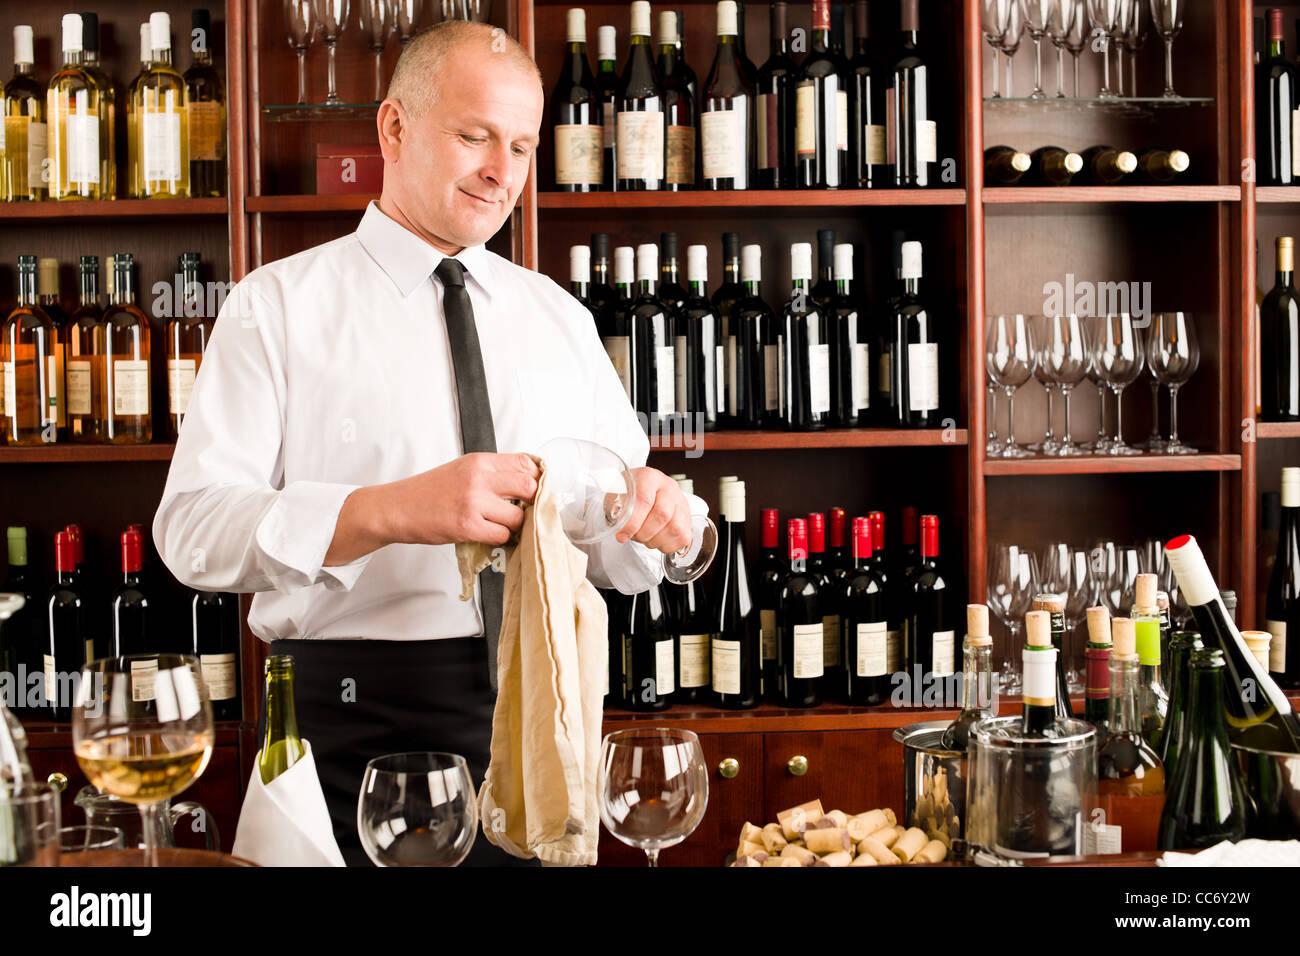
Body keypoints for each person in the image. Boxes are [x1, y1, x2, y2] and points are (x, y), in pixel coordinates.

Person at [152, 21, 692, 867]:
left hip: (539, 716)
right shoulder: (275, 306)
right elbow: (191, 533)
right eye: (474, 136)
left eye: (520, 144)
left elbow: (621, 557)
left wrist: (653, 519)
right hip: (345, 724)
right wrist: (390, 511)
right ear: (393, 129)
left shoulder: (561, 318)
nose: (501, 171)